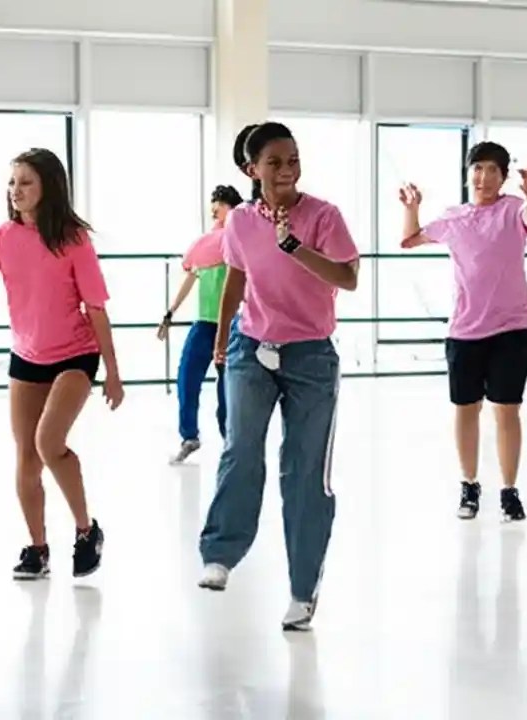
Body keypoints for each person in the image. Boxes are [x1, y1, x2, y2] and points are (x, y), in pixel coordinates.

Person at [196, 122, 359, 632]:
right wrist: (222, 338)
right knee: (240, 449)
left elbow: (348, 277)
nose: (287, 170)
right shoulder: (241, 222)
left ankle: (302, 590)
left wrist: (296, 248)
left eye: (293, 160)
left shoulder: (324, 216)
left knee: (304, 472)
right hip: (251, 346)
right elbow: (236, 278)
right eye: (274, 162)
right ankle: (220, 553)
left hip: (310, 356)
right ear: (252, 169)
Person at [0, 148, 122, 580]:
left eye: (26, 182)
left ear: (49, 187)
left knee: (48, 441)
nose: (16, 190)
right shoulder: (3, 237)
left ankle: (86, 530)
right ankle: (37, 549)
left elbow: (96, 307)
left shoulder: (73, 240)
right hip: (27, 355)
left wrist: (113, 373)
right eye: (12, 182)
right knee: (26, 457)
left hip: (76, 354)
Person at [399, 141, 527, 522]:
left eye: (493, 170)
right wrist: (411, 208)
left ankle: (509, 491)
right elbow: (409, 239)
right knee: (466, 409)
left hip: (511, 328)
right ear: (468, 174)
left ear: (503, 177)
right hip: (465, 330)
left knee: (507, 410)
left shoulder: (514, 209)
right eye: (478, 169)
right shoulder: (455, 217)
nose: (484, 177)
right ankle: (469, 485)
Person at [158, 184, 243, 464]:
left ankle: (231, 441)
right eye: (213, 205)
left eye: (219, 204)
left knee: (226, 386)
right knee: (187, 377)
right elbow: (190, 278)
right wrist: (170, 313)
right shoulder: (206, 246)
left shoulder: (237, 243)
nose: (214, 209)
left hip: (231, 325)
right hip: (204, 324)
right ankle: (189, 436)